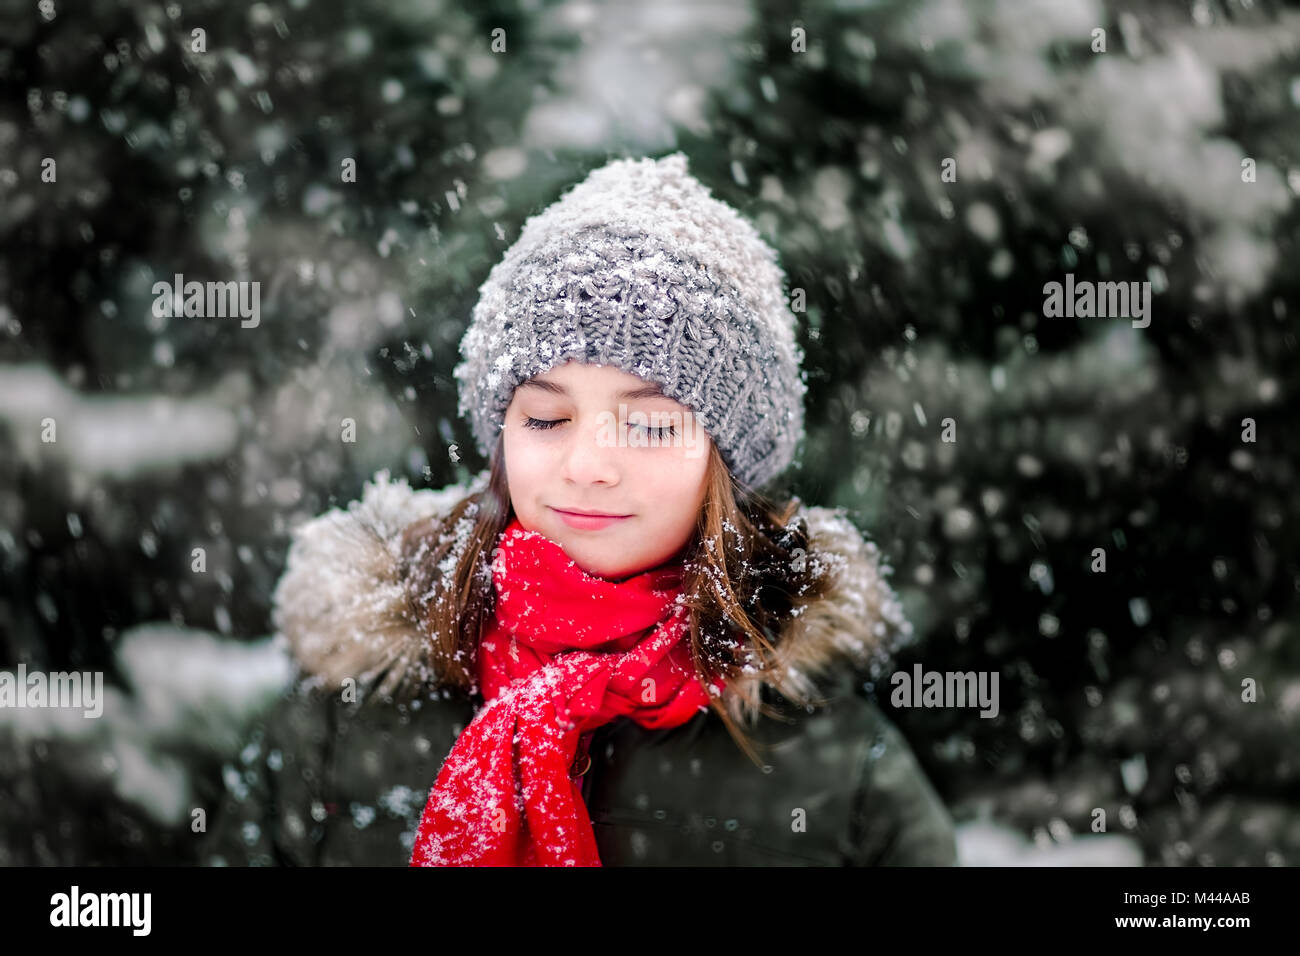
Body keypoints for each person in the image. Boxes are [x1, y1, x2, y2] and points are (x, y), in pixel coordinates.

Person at [200, 152, 958, 867]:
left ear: (727, 465)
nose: (590, 465)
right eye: (546, 419)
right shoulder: (349, 720)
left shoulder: (837, 769)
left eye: (653, 424)